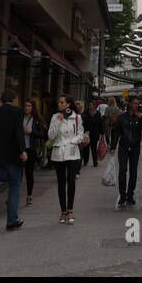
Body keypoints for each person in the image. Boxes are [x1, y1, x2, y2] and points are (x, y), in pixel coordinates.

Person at [0, 88, 27, 234]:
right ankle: (11, 221)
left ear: (1, 100)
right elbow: (18, 132)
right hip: (12, 156)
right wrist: (22, 151)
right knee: (14, 187)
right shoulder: (17, 112)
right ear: (13, 99)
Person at [47, 95, 86, 224]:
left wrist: (73, 141)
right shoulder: (55, 117)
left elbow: (81, 133)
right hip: (59, 153)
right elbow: (51, 135)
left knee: (71, 181)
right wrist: (58, 120)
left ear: (68, 104)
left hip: (72, 152)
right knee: (61, 182)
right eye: (59, 102)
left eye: (62, 102)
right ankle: (63, 211)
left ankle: (70, 210)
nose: (59, 104)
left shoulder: (77, 117)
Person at [114, 95, 142, 208]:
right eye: (134, 103)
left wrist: (141, 118)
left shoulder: (140, 117)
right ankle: (122, 196)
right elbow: (116, 132)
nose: (136, 105)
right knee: (122, 170)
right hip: (123, 146)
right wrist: (113, 147)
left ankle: (130, 195)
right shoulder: (121, 117)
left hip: (135, 147)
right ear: (129, 104)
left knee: (133, 171)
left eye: (138, 104)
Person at [20, 99, 46, 205]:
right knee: (17, 172)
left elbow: (43, 134)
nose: (27, 108)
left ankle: (29, 195)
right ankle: (14, 194)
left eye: (29, 106)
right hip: (20, 149)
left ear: (33, 107)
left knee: (29, 173)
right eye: (25, 105)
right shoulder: (19, 118)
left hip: (31, 149)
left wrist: (31, 132)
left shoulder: (36, 120)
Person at [83, 100, 103, 168]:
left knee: (94, 148)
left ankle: (95, 161)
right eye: (89, 105)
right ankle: (85, 161)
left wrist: (102, 133)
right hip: (87, 133)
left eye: (91, 105)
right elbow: (83, 123)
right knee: (86, 148)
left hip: (95, 133)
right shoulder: (85, 113)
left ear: (95, 106)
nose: (90, 106)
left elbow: (100, 124)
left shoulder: (98, 114)